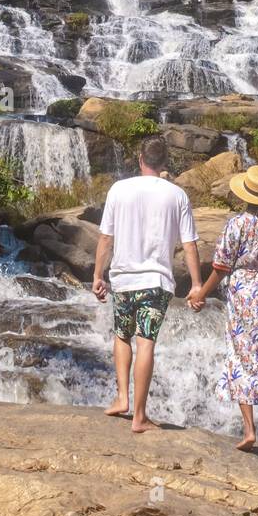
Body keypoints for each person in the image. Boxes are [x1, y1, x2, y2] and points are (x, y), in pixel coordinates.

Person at [93, 136, 201, 433]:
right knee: (146, 342)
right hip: (156, 281)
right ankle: (140, 416)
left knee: (121, 336)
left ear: (141, 159)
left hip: (124, 278)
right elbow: (190, 244)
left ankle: (121, 399)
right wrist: (196, 284)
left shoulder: (119, 189)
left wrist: (97, 275)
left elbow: (106, 238)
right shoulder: (177, 195)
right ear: (165, 162)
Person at [189, 163, 258, 451]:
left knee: (241, 358)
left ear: (245, 195)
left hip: (242, 295)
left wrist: (201, 293)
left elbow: (221, 267)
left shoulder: (236, 224)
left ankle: (248, 430)